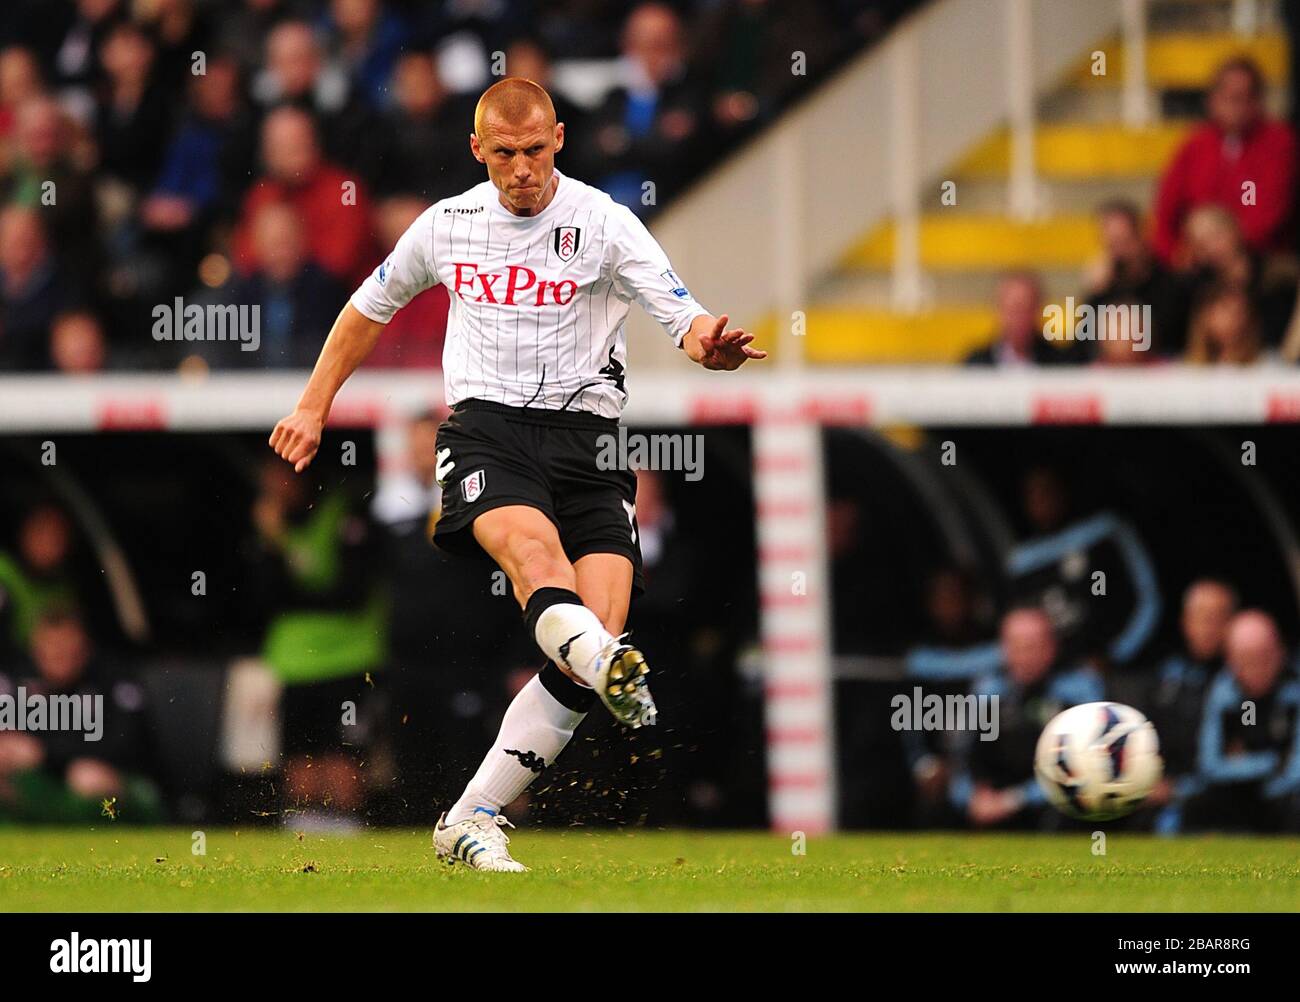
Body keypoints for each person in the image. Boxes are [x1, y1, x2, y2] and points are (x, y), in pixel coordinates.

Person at [269, 76, 765, 870]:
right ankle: (604, 661)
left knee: (585, 650)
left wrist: (709, 342)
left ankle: (470, 816)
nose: (523, 168)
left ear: (559, 139)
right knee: (539, 563)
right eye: (505, 154)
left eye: (535, 150)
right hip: (488, 433)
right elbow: (368, 308)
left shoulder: (604, 223)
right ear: (479, 151)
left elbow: (682, 311)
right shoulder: (449, 226)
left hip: (591, 445)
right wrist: (313, 405)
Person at [1153, 57, 1297, 264]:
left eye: (1241, 97)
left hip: (1259, 259)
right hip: (1197, 260)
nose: (1233, 106)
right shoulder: (1194, 145)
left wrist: (1224, 247)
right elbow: (1166, 214)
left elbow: (1270, 214)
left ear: (1257, 101)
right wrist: (1177, 254)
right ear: (1212, 100)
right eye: (1227, 96)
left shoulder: (1279, 142)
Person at [1184, 610, 1300, 831]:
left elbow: (1295, 770)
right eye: (1247, 659)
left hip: (1286, 796)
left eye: (1264, 657)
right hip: (1237, 794)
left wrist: (1243, 762)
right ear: (1231, 660)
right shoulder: (1223, 694)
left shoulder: (1294, 692)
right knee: (1197, 806)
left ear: (1280, 653)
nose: (1257, 668)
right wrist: (1269, 763)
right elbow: (1209, 765)